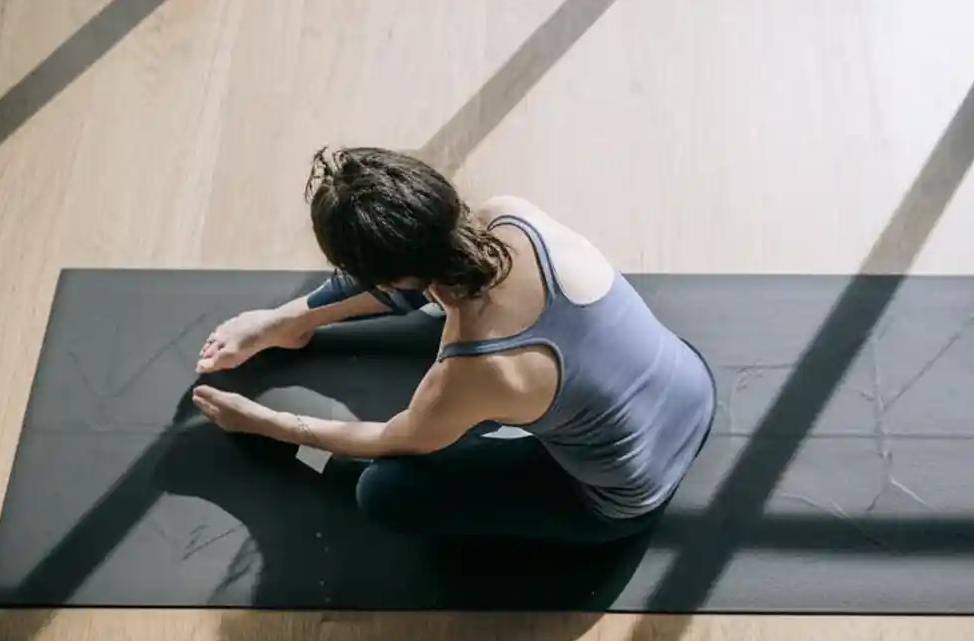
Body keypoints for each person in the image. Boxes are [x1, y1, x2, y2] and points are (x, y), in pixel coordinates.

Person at [191, 147, 715, 543]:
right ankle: (289, 326)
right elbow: (424, 271)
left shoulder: (474, 369)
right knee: (443, 308)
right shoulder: (510, 216)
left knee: (382, 490)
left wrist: (262, 423)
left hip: (622, 497)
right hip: (692, 386)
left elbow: (389, 439)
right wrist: (279, 320)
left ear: (387, 276)